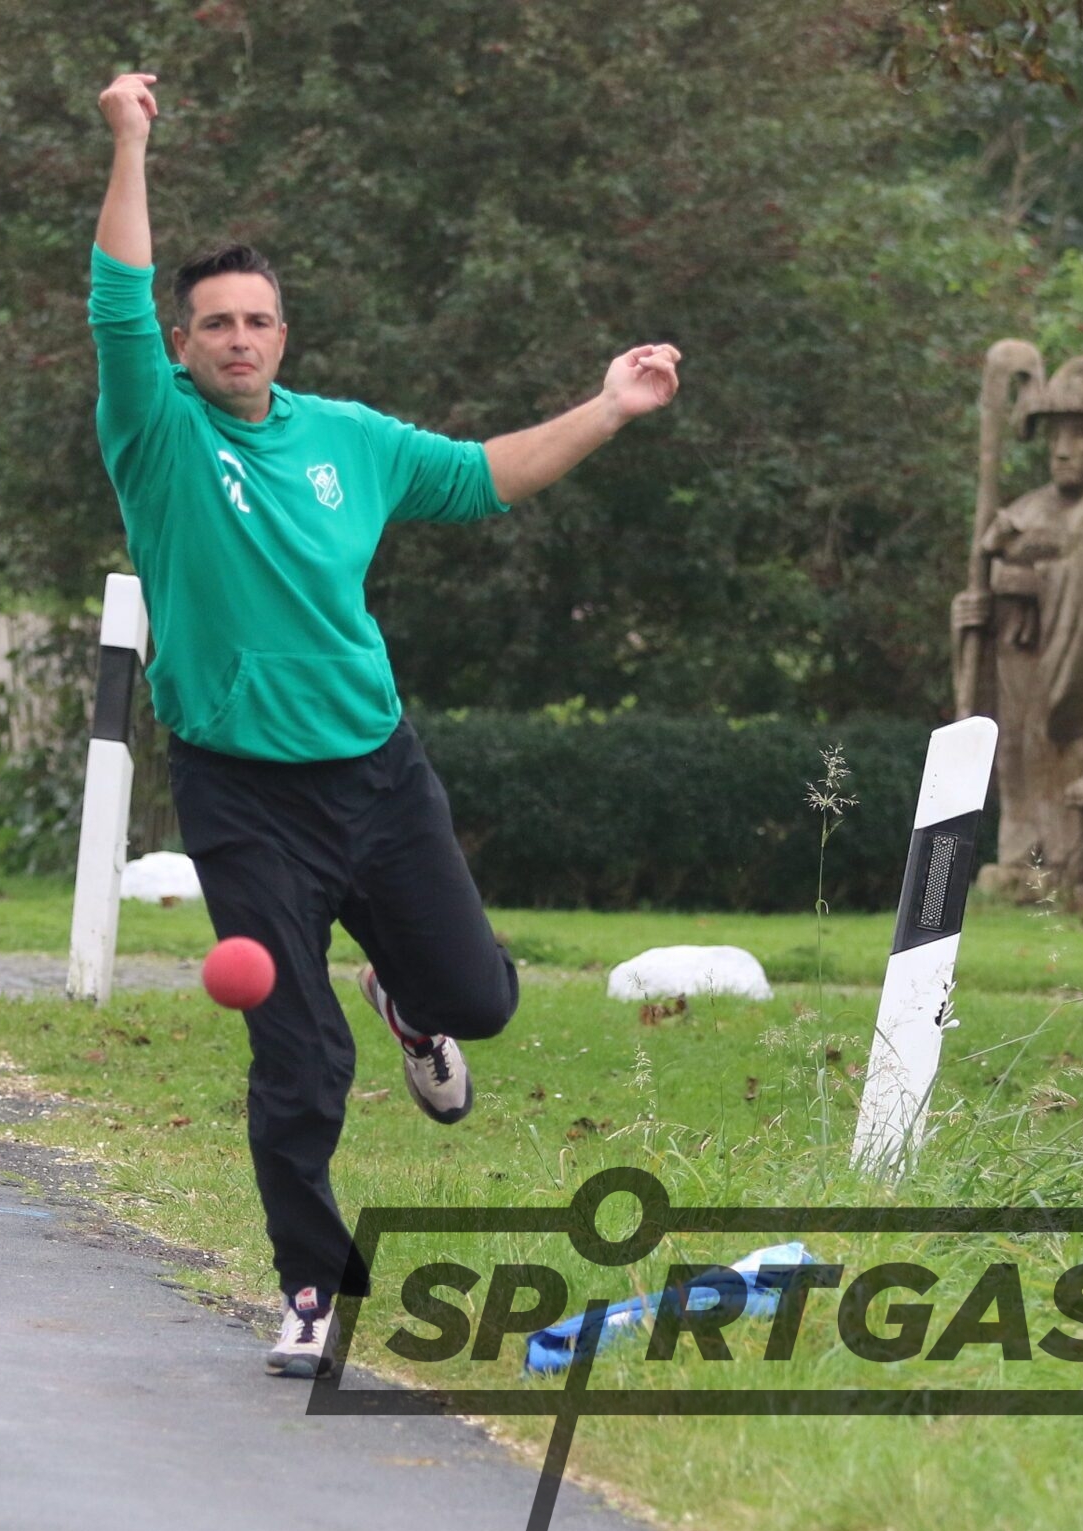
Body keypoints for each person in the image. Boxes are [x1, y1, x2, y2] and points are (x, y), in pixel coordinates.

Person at [88, 72, 681, 1377]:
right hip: (242, 792)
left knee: (484, 999)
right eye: (214, 325)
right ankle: (314, 1291)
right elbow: (114, 300)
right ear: (183, 347)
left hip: (377, 771)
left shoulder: (347, 439)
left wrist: (610, 406)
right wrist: (130, 143)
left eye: (258, 320)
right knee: (294, 1057)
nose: (237, 339)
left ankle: (411, 1007)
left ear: (284, 334)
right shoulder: (157, 435)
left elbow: (481, 478)